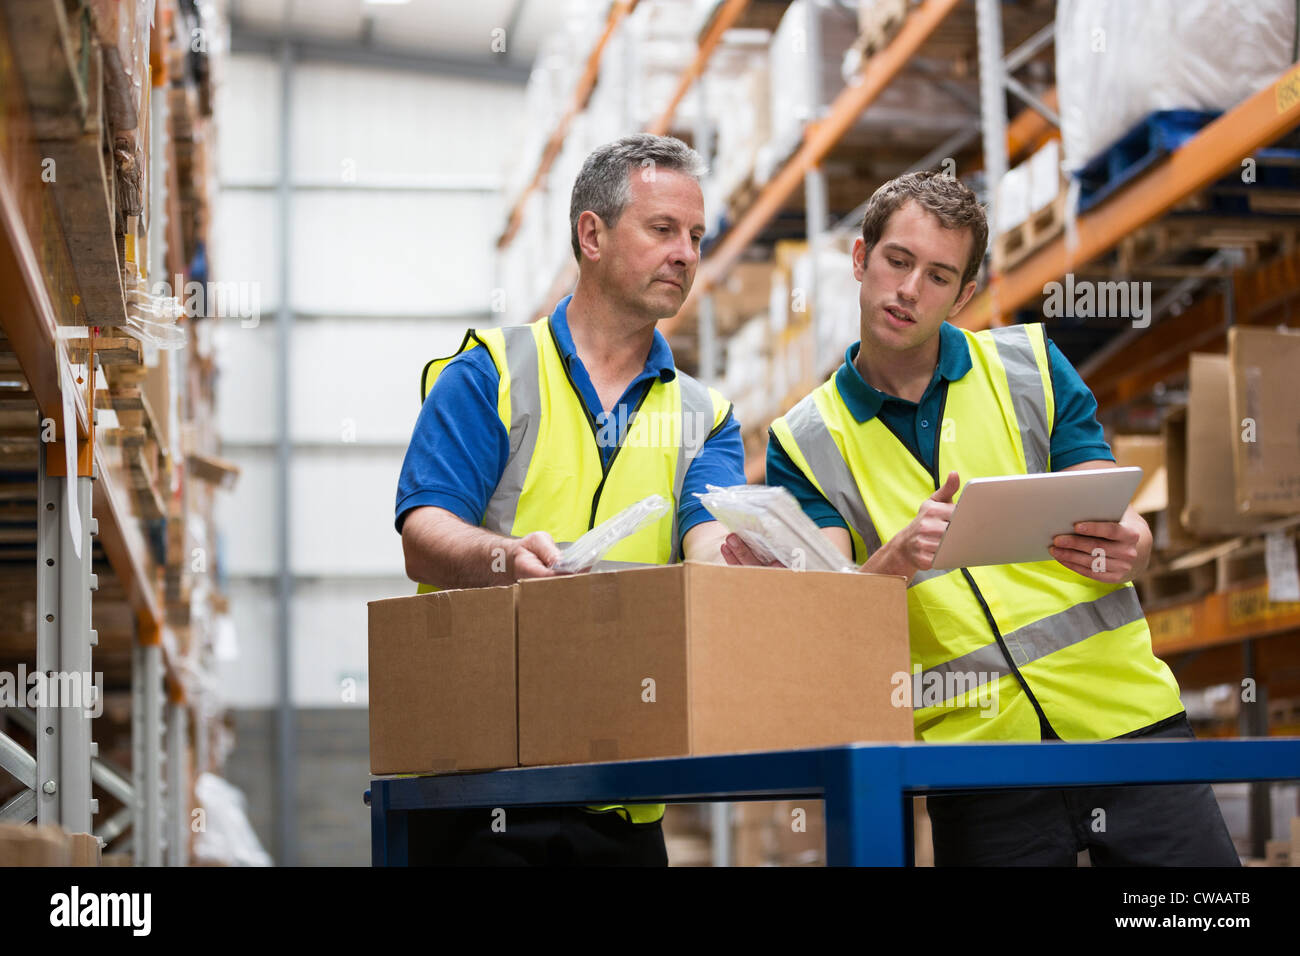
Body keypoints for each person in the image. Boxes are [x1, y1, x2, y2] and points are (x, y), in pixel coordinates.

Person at [724, 170, 1239, 867]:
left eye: (938, 276)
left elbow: (1110, 507)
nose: (910, 290)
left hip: (1127, 725)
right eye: (897, 261)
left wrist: (1134, 545)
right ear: (860, 260)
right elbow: (833, 609)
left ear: (964, 295)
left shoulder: (1029, 366)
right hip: (979, 761)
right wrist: (897, 559)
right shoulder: (804, 441)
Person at [394, 134, 744, 865]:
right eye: (662, 230)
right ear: (592, 233)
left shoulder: (704, 414)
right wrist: (504, 557)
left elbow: (707, 538)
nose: (685, 253)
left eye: (696, 236)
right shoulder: (491, 374)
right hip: (479, 789)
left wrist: (741, 556)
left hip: (623, 794)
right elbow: (423, 532)